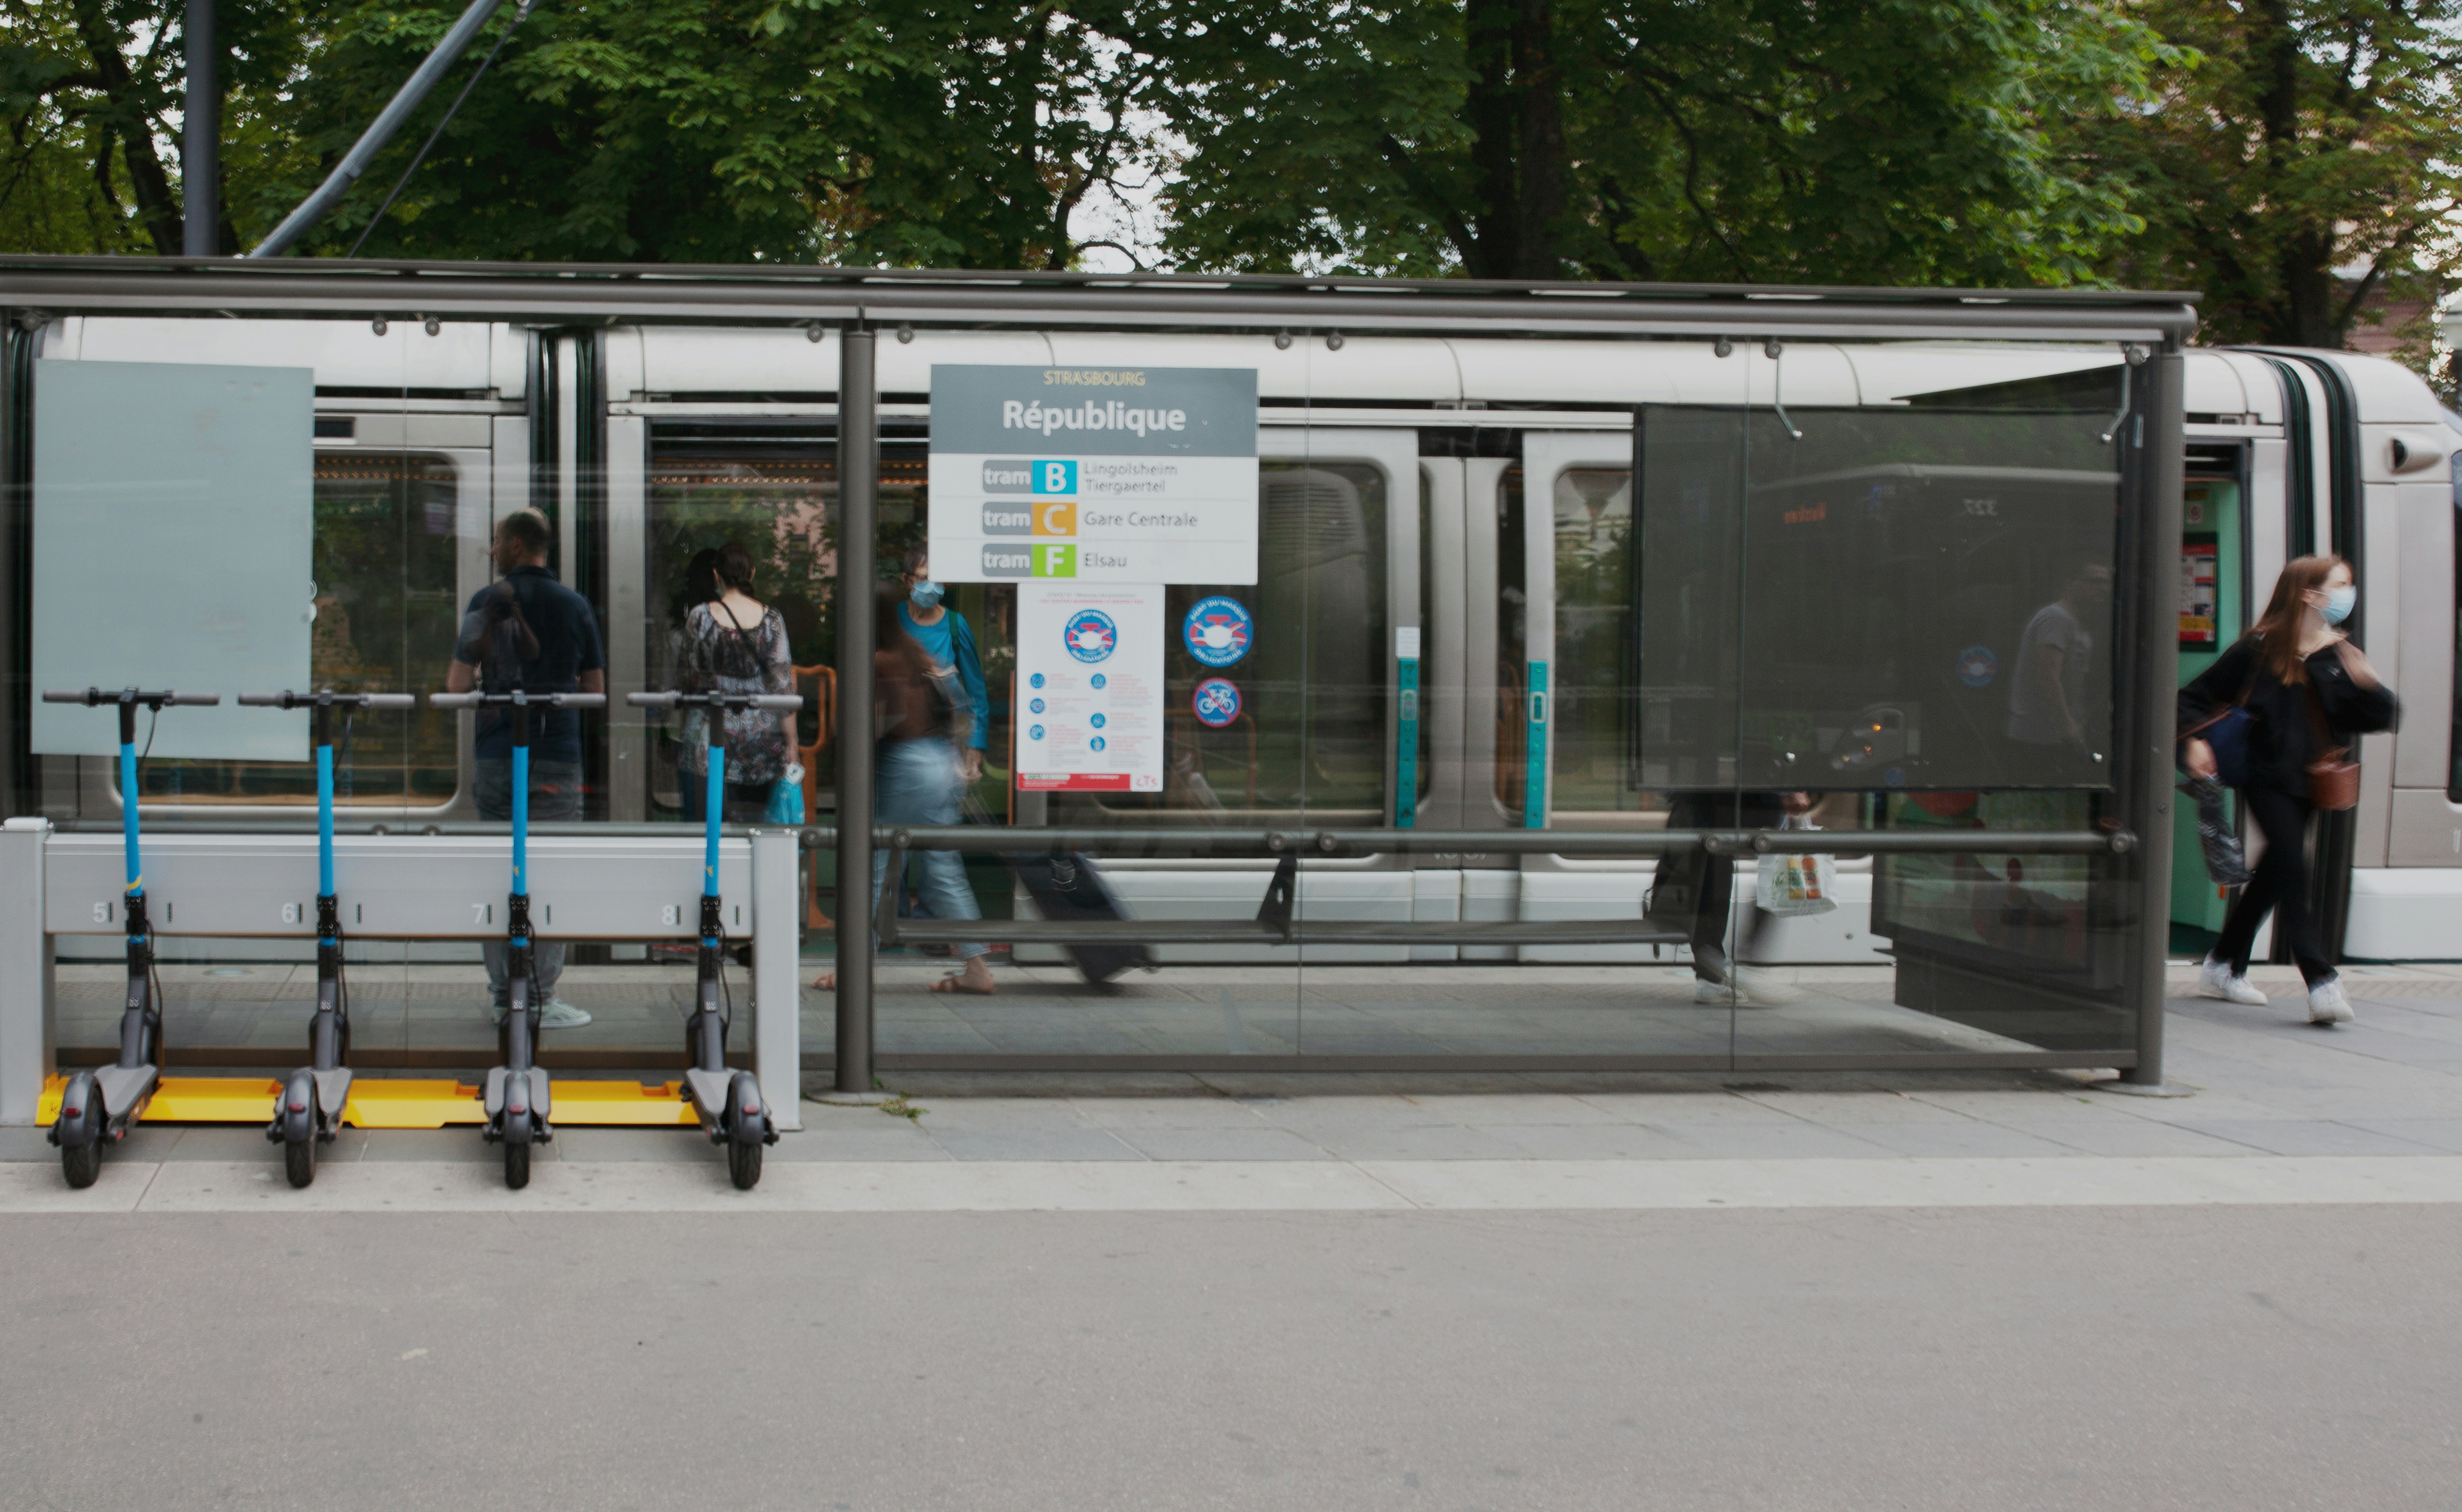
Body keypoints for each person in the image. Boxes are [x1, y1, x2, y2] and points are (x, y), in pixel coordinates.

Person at [2179, 554, 2397, 1025]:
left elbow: (2378, 717)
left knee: (2276, 871)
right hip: (2261, 776)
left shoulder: (2338, 654)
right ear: (2308, 594)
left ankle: (2222, 965)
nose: (2346, 595)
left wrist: (2369, 686)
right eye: (2339, 585)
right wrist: (2193, 739)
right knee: (2291, 867)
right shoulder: (2257, 649)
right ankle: (2320, 979)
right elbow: (2193, 696)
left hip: (2311, 780)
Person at [447, 508, 606, 1029]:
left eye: (495, 541)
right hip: (558, 757)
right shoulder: (575, 605)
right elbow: (595, 690)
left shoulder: (485, 602)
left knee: (500, 877)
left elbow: (454, 685)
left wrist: (490, 688)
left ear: (516, 545)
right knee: (550, 875)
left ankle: (503, 996)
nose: (491, 550)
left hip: (497, 756)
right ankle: (539, 998)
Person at [816, 586, 997, 995]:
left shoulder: (879, 661)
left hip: (906, 765)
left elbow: (865, 726)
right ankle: (977, 967)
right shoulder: (916, 652)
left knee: (870, 863)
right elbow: (954, 702)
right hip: (939, 761)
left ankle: (853, 969)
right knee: (943, 867)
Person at [677, 542, 794, 823]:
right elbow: (783, 688)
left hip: (707, 737)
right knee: (753, 834)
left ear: (717, 575)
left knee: (706, 830)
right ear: (751, 574)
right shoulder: (773, 621)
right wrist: (793, 743)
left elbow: (687, 678)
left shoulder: (699, 617)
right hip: (760, 743)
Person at [1657, 790, 1810, 1004]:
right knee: (1779, 866)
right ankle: (1733, 965)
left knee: (1711, 871)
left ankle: (1711, 971)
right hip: (1734, 801)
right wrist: (1786, 792)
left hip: (1701, 802)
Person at [895, 548, 991, 786]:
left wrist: (975, 746)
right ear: (907, 581)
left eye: (937, 579)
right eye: (923, 579)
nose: (931, 586)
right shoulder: (892, 620)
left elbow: (976, 694)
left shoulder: (955, 625)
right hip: (898, 738)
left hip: (944, 741)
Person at [2009, 563, 2112, 749]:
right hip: (2039, 734)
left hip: (2055, 732)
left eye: (2106, 583)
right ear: (2070, 583)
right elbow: (2047, 678)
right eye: (2095, 581)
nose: (2103, 589)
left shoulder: (2076, 622)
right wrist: (2068, 725)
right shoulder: (2056, 619)